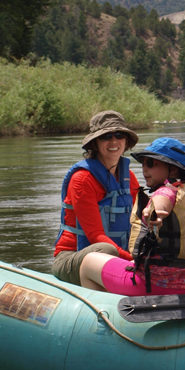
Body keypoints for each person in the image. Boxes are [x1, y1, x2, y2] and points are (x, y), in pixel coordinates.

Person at [79, 137, 185, 295]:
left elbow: (162, 200)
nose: (145, 169)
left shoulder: (166, 191)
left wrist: (156, 213)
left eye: (151, 164)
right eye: (143, 163)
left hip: (156, 283)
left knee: (88, 262)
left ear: (172, 170)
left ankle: (107, 314)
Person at [53, 110, 141, 285]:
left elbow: (139, 223)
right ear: (95, 143)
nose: (114, 141)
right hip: (74, 258)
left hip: (118, 258)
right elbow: (95, 236)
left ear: (126, 141)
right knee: (105, 249)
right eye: (106, 137)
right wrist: (133, 261)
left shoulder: (128, 178)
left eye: (119, 135)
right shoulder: (82, 180)